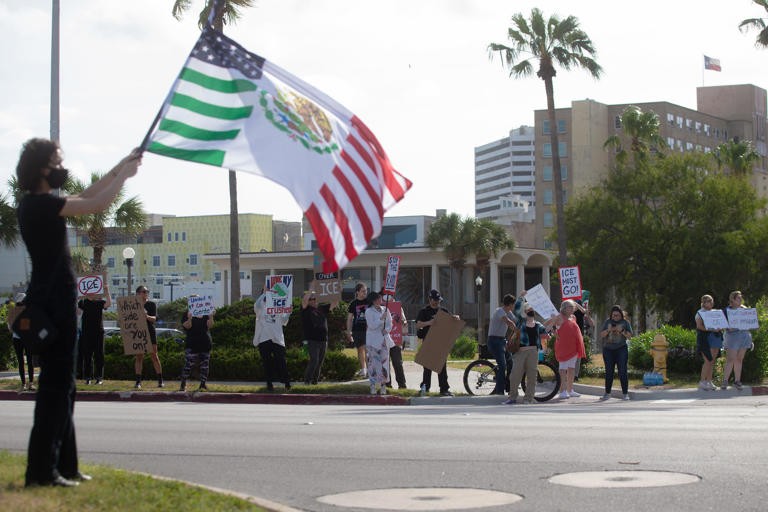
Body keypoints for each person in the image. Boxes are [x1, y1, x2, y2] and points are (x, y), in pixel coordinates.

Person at [16, 138, 140, 487]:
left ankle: (65, 466)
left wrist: (120, 165)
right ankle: (40, 472)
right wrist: (125, 177)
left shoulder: (39, 204)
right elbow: (97, 203)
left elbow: (87, 194)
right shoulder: (39, 205)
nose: (61, 164)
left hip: (54, 300)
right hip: (54, 303)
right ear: (42, 167)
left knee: (65, 388)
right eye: (56, 160)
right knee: (55, 389)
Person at [504, 292, 554, 405]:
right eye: (529, 309)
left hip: (533, 353)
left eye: (532, 309)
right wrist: (521, 298)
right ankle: (512, 398)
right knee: (514, 376)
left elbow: (545, 333)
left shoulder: (537, 324)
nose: (531, 311)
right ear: (525, 311)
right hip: (520, 352)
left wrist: (553, 320)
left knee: (532, 377)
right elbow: (516, 310)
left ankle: (528, 399)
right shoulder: (520, 321)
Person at [416, 289, 458, 397]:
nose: (437, 302)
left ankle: (444, 389)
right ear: (429, 299)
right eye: (435, 300)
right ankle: (425, 388)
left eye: (438, 300)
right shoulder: (424, 311)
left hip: (440, 342)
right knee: (427, 368)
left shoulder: (443, 310)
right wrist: (429, 323)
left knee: (442, 368)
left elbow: (451, 321)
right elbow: (418, 324)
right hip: (428, 342)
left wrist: (455, 318)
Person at [253, 290, 291, 391]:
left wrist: (288, 312)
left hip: (277, 339)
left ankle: (287, 383)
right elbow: (256, 305)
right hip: (264, 339)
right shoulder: (260, 307)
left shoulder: (278, 306)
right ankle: (269, 384)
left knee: (281, 361)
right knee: (267, 363)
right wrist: (265, 292)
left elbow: (283, 321)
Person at [553, 299, 587, 399]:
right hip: (563, 347)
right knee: (563, 369)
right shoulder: (559, 317)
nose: (572, 309)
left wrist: (575, 303)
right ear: (564, 308)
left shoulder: (573, 317)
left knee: (572, 368)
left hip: (573, 347)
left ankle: (570, 389)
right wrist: (555, 333)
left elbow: (583, 311)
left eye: (573, 307)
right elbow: (552, 327)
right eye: (570, 307)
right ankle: (562, 390)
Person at [180, 297, 215, 391]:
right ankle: (183, 383)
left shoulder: (205, 313)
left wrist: (211, 317)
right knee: (188, 364)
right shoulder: (186, 314)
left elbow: (210, 325)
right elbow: (187, 326)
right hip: (192, 343)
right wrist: (189, 318)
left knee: (205, 365)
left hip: (205, 342)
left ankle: (203, 384)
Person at [76, 290, 111, 386]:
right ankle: (88, 378)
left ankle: (99, 378)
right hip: (86, 332)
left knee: (99, 355)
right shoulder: (83, 302)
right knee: (87, 356)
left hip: (98, 332)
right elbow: (78, 311)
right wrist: (77, 296)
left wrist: (107, 292)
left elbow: (108, 304)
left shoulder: (99, 302)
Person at [486, 294, 517, 395]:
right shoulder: (500, 311)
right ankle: (499, 391)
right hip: (494, 341)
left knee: (510, 363)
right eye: (513, 305)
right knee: (502, 366)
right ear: (510, 304)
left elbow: (515, 320)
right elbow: (508, 321)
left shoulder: (509, 312)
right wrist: (516, 329)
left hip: (502, 341)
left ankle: (508, 387)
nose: (514, 307)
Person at [722, 291, 753, 390]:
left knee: (739, 359)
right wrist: (728, 327)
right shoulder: (727, 310)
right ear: (732, 300)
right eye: (738, 298)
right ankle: (725, 381)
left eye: (741, 298)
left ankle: (737, 380)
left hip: (744, 336)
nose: (740, 300)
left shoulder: (744, 309)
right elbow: (723, 323)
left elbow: (750, 322)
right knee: (730, 359)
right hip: (732, 336)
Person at [599, 305, 632, 400]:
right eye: (613, 315)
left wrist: (621, 330)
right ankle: (607, 393)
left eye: (617, 315)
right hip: (608, 349)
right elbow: (602, 334)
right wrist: (609, 329)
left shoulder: (625, 322)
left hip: (621, 349)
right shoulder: (608, 322)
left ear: (621, 315)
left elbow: (630, 336)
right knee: (609, 371)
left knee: (622, 371)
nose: (615, 317)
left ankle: (625, 393)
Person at [134, 286, 163, 389]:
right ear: (138, 293)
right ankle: (138, 381)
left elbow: (154, 318)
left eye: (147, 291)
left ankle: (160, 381)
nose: (146, 293)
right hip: (138, 332)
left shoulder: (151, 304)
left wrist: (146, 316)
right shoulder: (133, 305)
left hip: (150, 331)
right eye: (144, 291)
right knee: (139, 357)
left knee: (154, 355)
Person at [364, 291, 392, 395]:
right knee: (373, 364)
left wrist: (387, 330)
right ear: (372, 301)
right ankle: (372, 385)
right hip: (373, 342)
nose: (379, 300)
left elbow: (390, 323)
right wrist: (381, 319)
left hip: (384, 340)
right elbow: (371, 325)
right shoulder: (368, 311)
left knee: (384, 364)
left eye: (380, 298)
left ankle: (383, 386)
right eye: (376, 299)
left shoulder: (385, 309)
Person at [301, 281, 329, 385]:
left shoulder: (322, 308)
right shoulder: (306, 309)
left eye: (315, 298)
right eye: (311, 299)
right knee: (314, 360)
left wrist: (338, 292)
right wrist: (311, 288)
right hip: (312, 340)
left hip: (323, 340)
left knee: (319, 362)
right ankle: (307, 381)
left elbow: (335, 304)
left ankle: (314, 382)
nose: (313, 300)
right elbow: (304, 301)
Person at [8, 293, 35, 390]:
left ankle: (29, 383)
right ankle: (25, 383)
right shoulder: (14, 312)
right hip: (19, 338)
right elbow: (11, 327)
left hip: (24, 338)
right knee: (23, 361)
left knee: (28, 361)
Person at [695, 294, 722, 391]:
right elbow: (699, 326)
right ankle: (702, 381)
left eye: (712, 301)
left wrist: (720, 327)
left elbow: (721, 322)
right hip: (705, 338)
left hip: (715, 337)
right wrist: (711, 329)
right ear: (704, 303)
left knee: (713, 361)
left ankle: (709, 381)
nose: (711, 303)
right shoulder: (700, 313)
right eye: (709, 301)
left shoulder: (715, 312)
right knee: (707, 360)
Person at [345, 282, 368, 378]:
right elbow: (349, 318)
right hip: (357, 330)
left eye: (366, 291)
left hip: (369, 330)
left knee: (368, 350)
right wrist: (348, 332)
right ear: (357, 292)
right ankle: (363, 370)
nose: (365, 293)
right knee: (360, 350)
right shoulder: (353, 303)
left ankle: (370, 371)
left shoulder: (369, 302)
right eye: (363, 291)